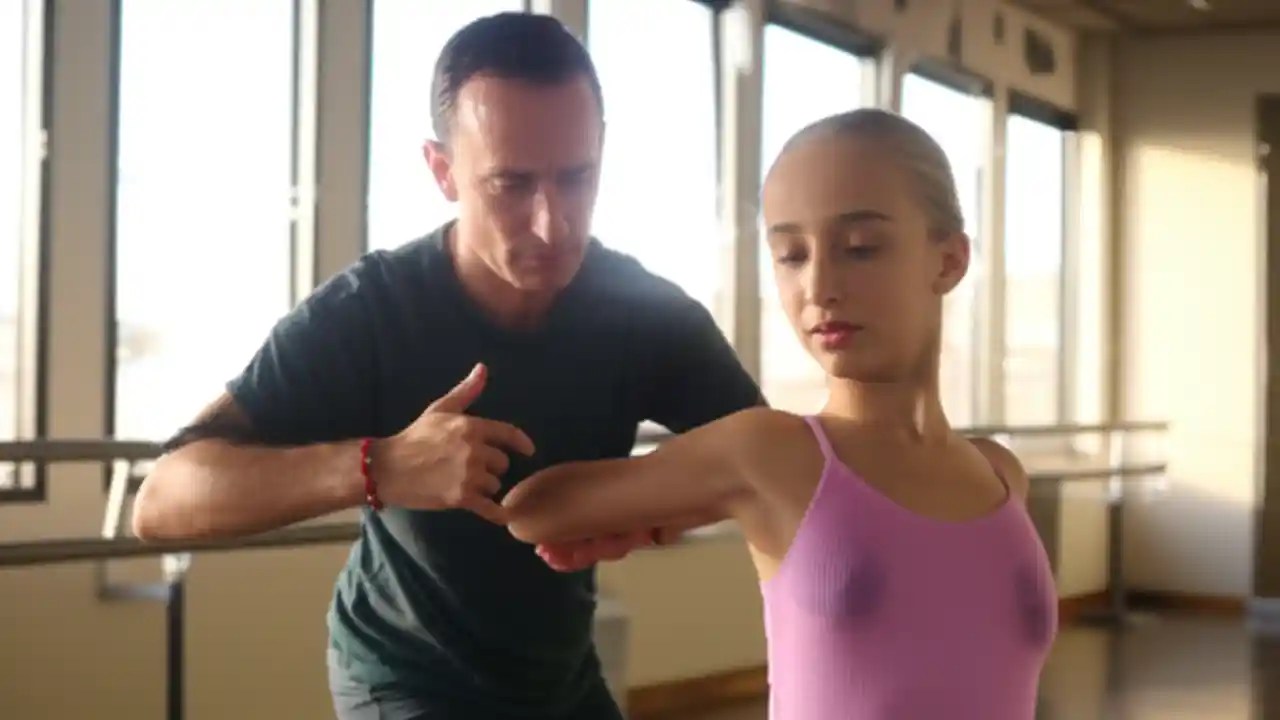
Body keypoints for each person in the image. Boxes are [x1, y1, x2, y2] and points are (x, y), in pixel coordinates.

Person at [131, 12, 763, 720]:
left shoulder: (644, 311)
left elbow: (776, 461)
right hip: (405, 678)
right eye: (511, 185)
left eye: (577, 178)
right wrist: (380, 467)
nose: (552, 225)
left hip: (558, 677)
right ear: (443, 172)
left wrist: (645, 506)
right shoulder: (370, 310)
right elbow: (161, 501)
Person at [504, 109, 1059, 720]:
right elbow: (535, 510)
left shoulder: (1001, 473)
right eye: (791, 255)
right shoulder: (773, 453)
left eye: (860, 248)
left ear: (949, 261)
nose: (819, 284)